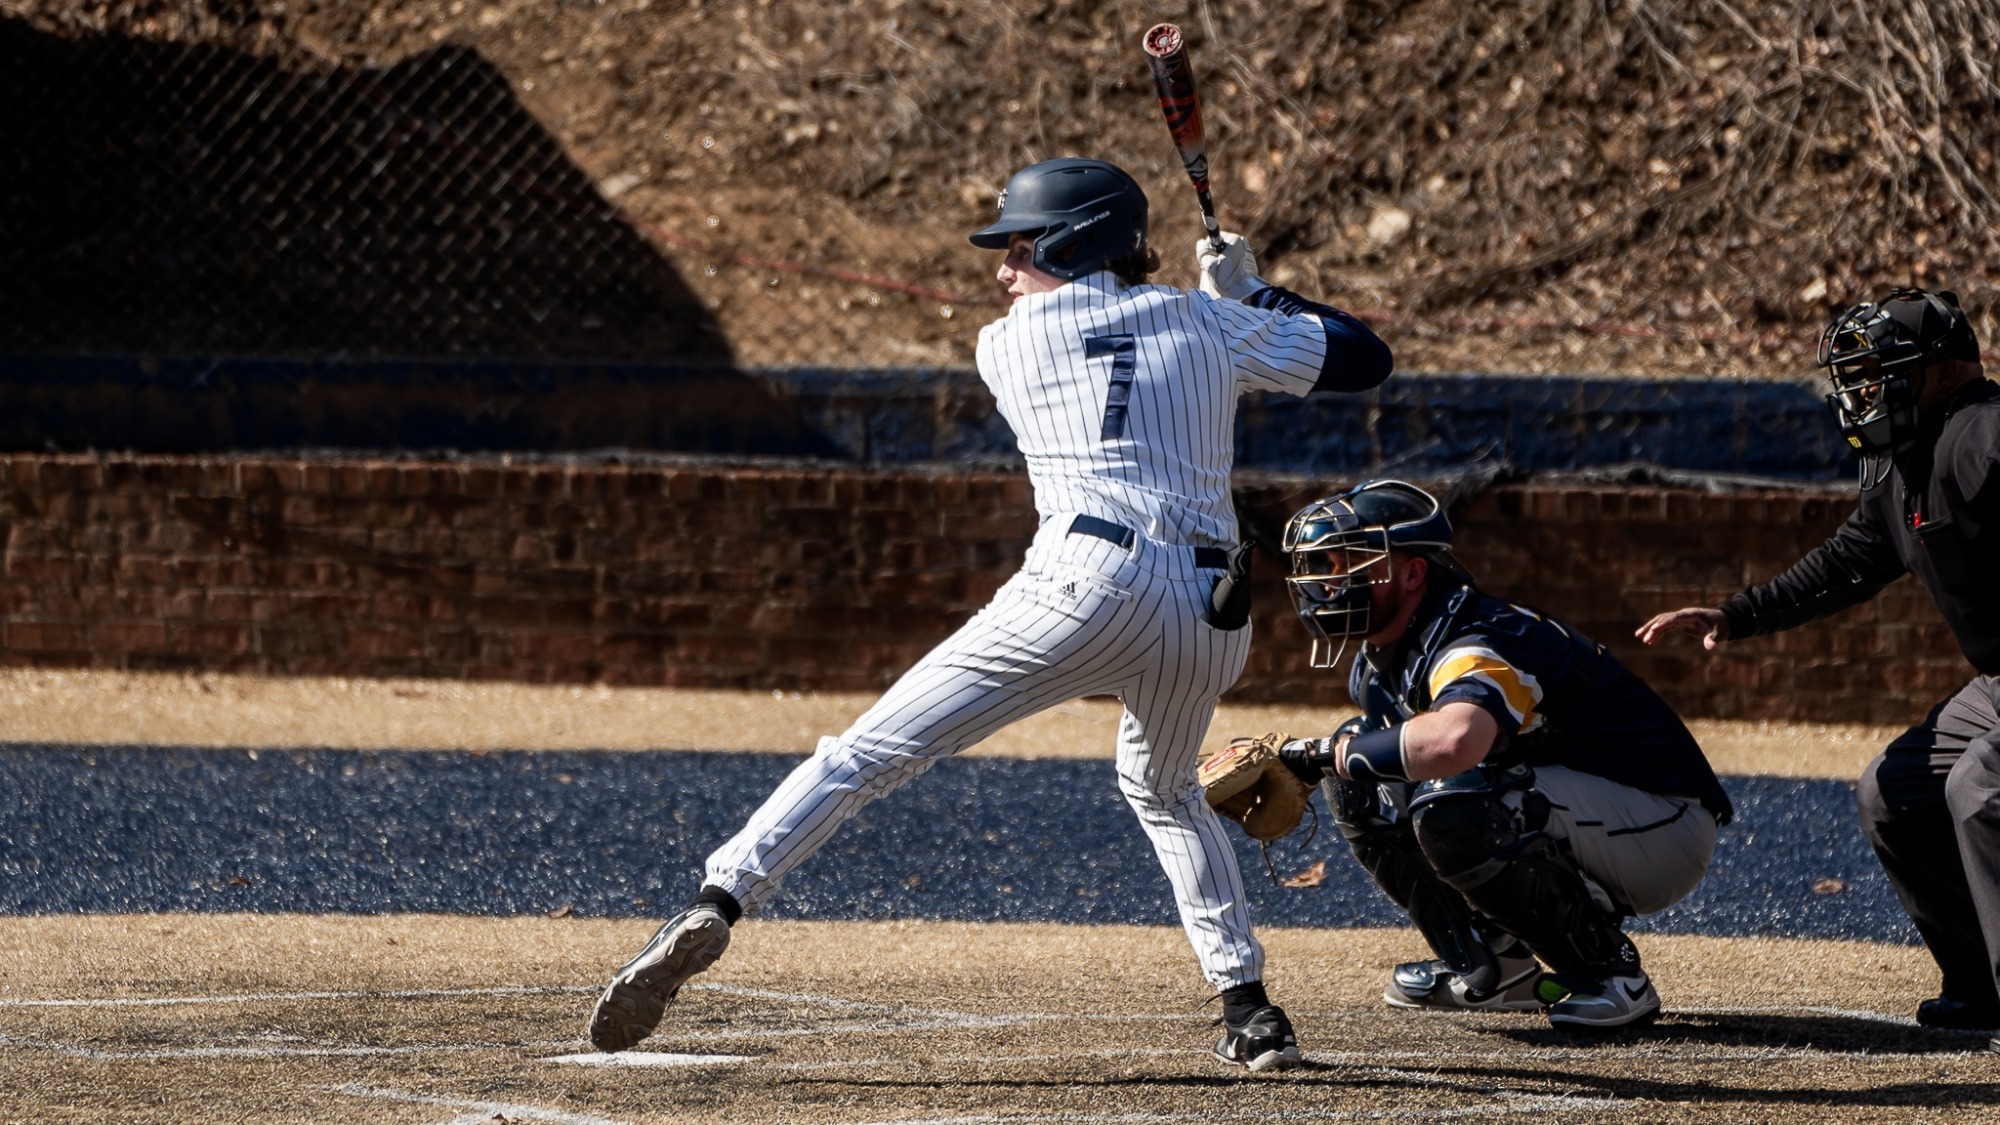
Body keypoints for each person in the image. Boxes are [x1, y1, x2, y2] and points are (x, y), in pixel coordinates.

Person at [586, 156, 1394, 1071]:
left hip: (1083, 584)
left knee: (866, 754)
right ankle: (1250, 1010)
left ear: (1072, 242)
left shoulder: (1006, 342)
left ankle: (718, 898)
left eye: (1020, 246)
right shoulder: (1207, 321)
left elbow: (1128, 342)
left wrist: (1224, 310)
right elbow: (1365, 357)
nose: (1004, 268)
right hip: (1210, 612)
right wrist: (1254, 294)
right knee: (1167, 789)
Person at [1638, 287, 2000, 1034]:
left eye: (1877, 375)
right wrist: (1736, 614)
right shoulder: (1906, 467)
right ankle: (1979, 984)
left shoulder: (1982, 433)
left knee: (1981, 787)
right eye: (1854, 380)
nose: (1862, 396)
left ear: (1940, 370)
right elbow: (1845, 564)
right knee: (1893, 791)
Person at [1274, 480, 1734, 1030]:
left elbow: (1456, 741)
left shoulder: (1472, 637)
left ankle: (1609, 976)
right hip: (1588, 804)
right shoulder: (1384, 659)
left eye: (1349, 562)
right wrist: (1326, 760)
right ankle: (1494, 967)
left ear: (1413, 572)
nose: (1328, 582)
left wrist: (1320, 752)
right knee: (1362, 778)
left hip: (1662, 820)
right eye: (1324, 565)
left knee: (1455, 799)